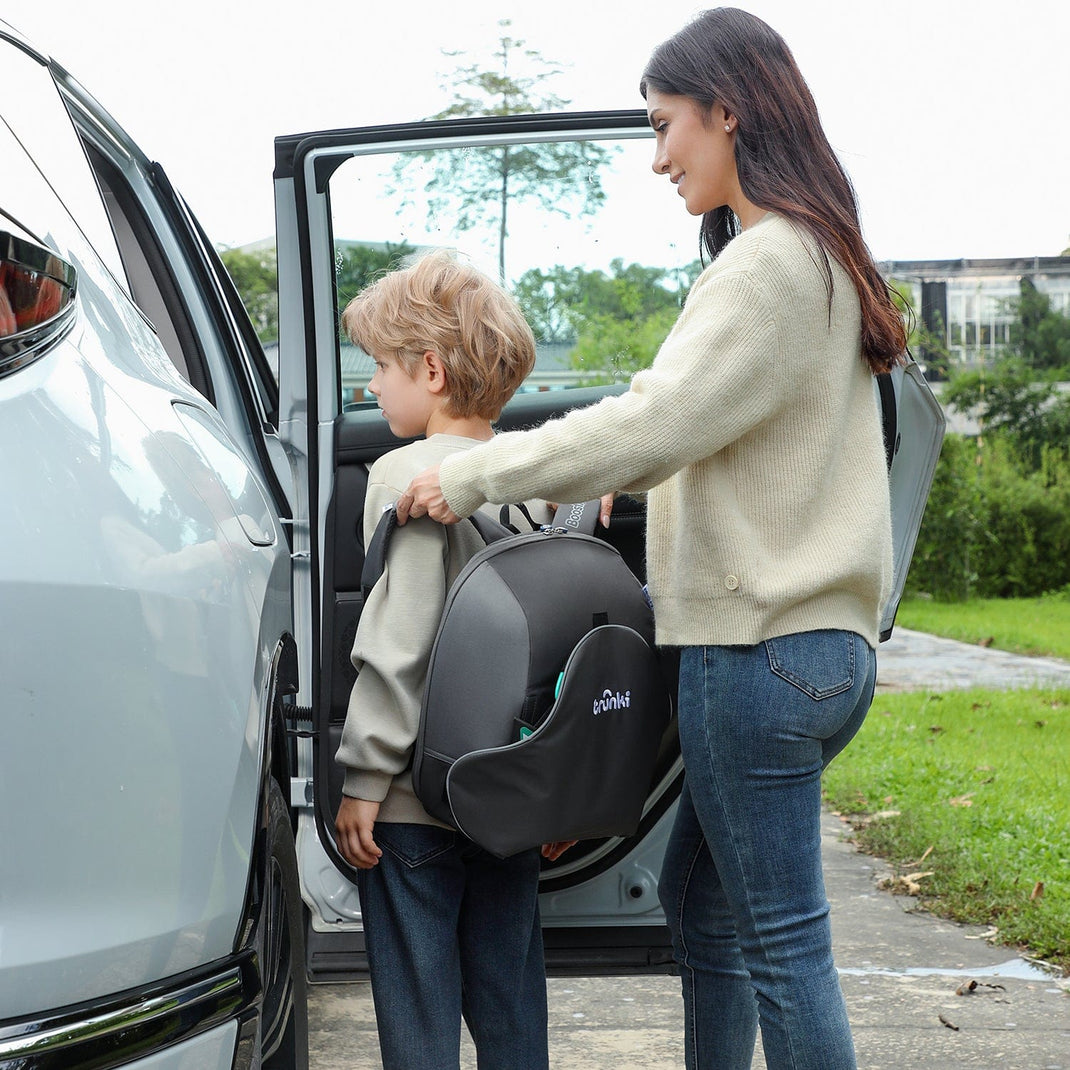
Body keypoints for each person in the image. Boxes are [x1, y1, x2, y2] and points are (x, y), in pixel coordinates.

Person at [395, 9, 904, 1069]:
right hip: (822, 654)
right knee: (704, 907)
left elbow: (651, 425)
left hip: (756, 653)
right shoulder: (815, 256)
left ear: (729, 110)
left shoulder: (768, 263)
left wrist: (474, 472)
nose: (656, 154)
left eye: (664, 123)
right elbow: (694, 428)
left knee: (778, 940)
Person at [333, 249, 566, 1070]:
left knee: (419, 1014)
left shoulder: (404, 474)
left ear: (429, 369)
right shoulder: (535, 480)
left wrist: (364, 777)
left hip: (414, 801)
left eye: (380, 367)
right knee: (510, 1003)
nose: (371, 388)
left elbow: (401, 638)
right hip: (507, 794)